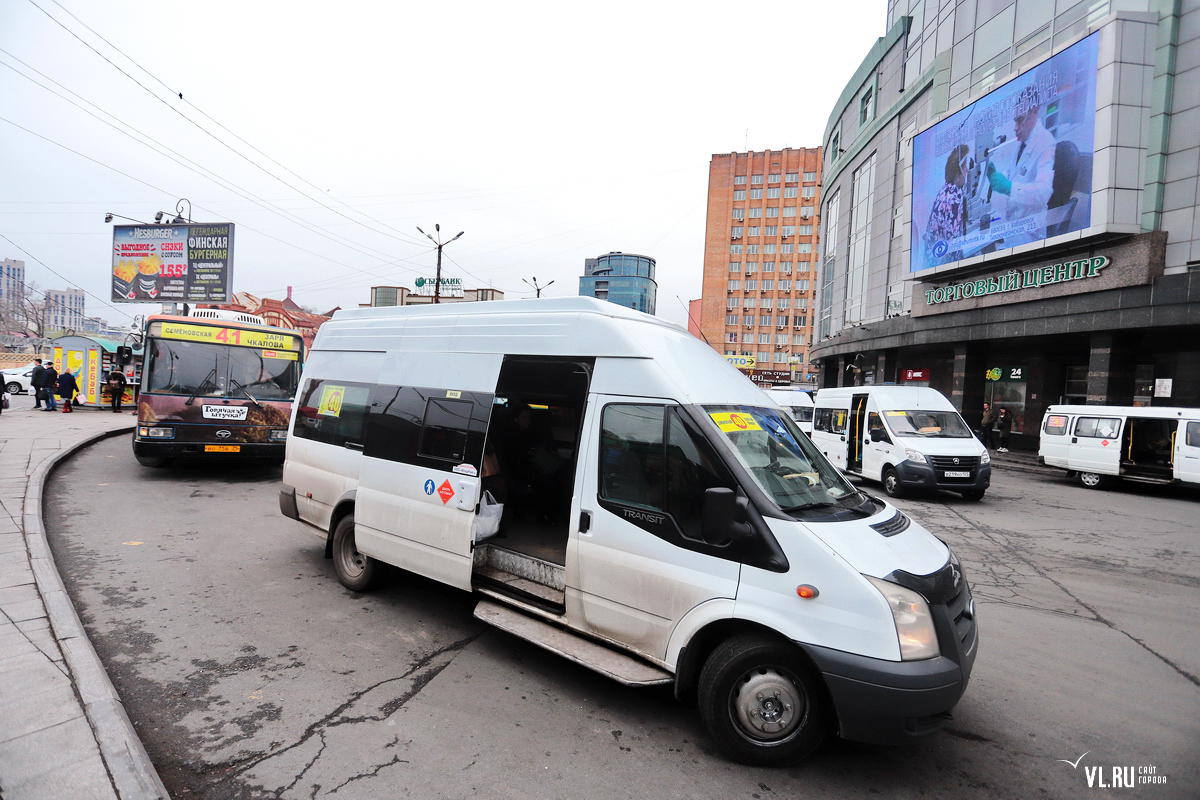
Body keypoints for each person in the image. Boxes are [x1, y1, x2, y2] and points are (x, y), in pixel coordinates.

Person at [986, 85, 1056, 246]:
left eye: (1020, 119)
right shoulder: (1020, 144)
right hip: (1012, 227)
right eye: (1015, 121)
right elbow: (1011, 177)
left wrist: (1008, 187)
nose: (1015, 127)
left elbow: (1043, 193)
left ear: (1034, 112)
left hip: (1030, 234)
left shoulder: (1046, 142)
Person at [925, 144, 971, 265]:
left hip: (932, 260)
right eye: (965, 168)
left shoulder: (945, 189)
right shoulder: (954, 198)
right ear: (958, 173)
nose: (967, 171)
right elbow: (954, 244)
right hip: (941, 265)